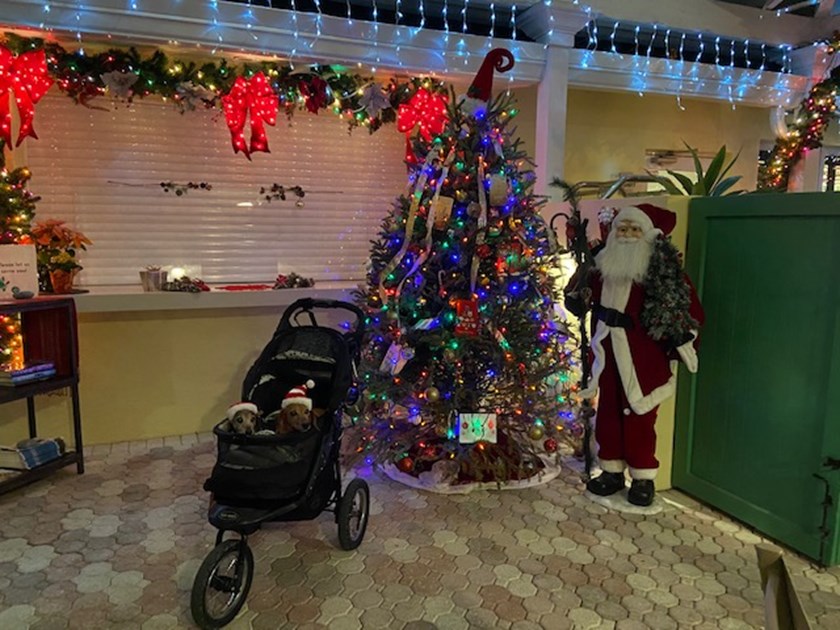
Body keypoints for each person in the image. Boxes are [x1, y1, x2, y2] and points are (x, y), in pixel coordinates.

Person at [565, 203, 704, 506]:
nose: (627, 236)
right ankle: (611, 471)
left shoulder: (662, 271)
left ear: (649, 235)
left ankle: (642, 478)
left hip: (643, 358)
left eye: (634, 230)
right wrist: (576, 296)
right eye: (622, 229)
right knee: (609, 413)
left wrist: (682, 337)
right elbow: (583, 291)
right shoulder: (604, 261)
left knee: (640, 417)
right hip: (607, 351)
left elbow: (687, 309)